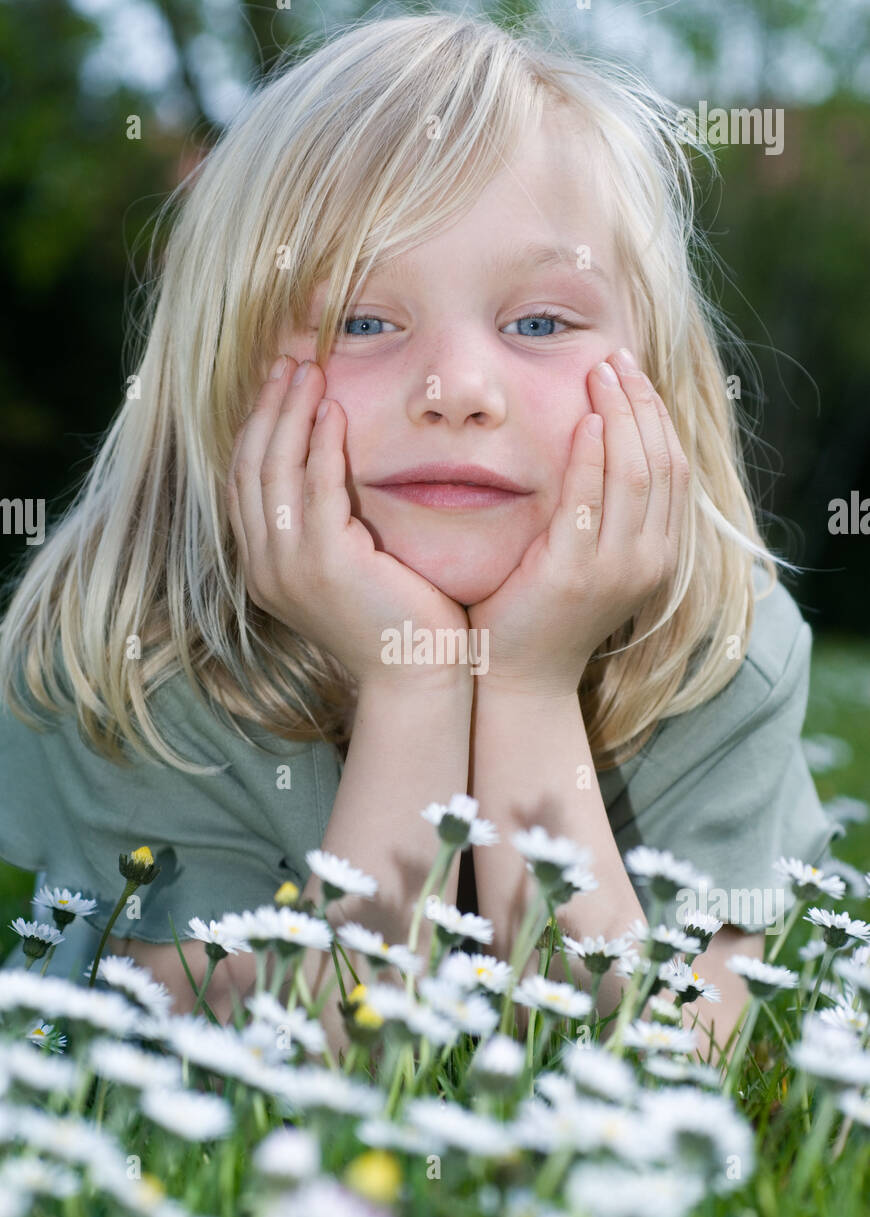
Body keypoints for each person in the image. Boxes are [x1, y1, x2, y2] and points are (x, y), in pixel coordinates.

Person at [0, 13, 838, 1061]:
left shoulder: (724, 648)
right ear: (219, 369)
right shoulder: (129, 660)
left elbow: (662, 1072)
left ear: (658, 383)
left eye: (538, 323)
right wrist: (418, 683)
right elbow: (274, 1094)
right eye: (360, 320)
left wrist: (527, 686)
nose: (454, 392)